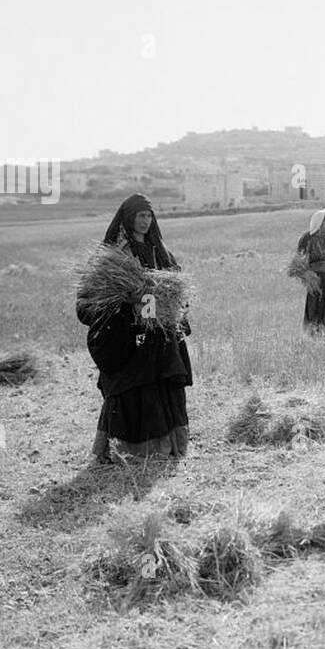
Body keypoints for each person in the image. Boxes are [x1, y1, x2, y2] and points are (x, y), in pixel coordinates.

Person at [76, 194, 193, 462]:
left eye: (149, 216)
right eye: (140, 216)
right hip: (129, 335)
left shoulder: (159, 251)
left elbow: (175, 286)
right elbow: (90, 302)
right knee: (135, 386)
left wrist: (175, 302)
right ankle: (129, 450)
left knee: (162, 382)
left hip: (159, 333)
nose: (145, 221)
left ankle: (167, 447)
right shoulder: (114, 257)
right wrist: (130, 301)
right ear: (128, 218)